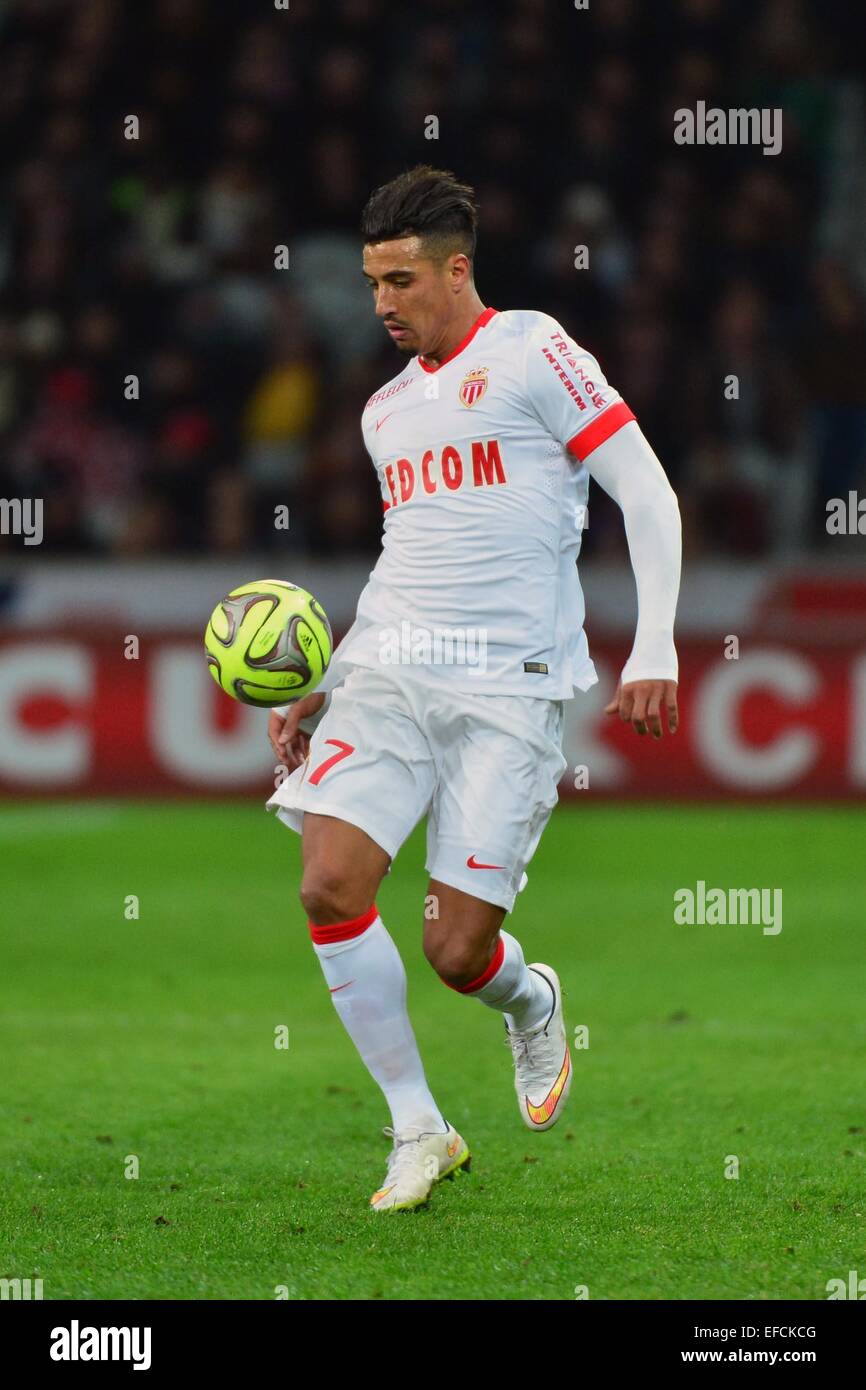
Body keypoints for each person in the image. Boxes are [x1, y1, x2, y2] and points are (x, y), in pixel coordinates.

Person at [266, 166, 681, 1212]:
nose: (381, 304)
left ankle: (527, 998)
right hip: (390, 675)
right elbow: (409, 558)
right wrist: (329, 677)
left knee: (455, 950)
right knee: (327, 884)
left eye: (400, 280)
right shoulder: (382, 413)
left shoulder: (533, 349)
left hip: (508, 688)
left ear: (457, 269)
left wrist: (654, 647)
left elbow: (644, 487)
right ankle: (417, 1126)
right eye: (371, 283)